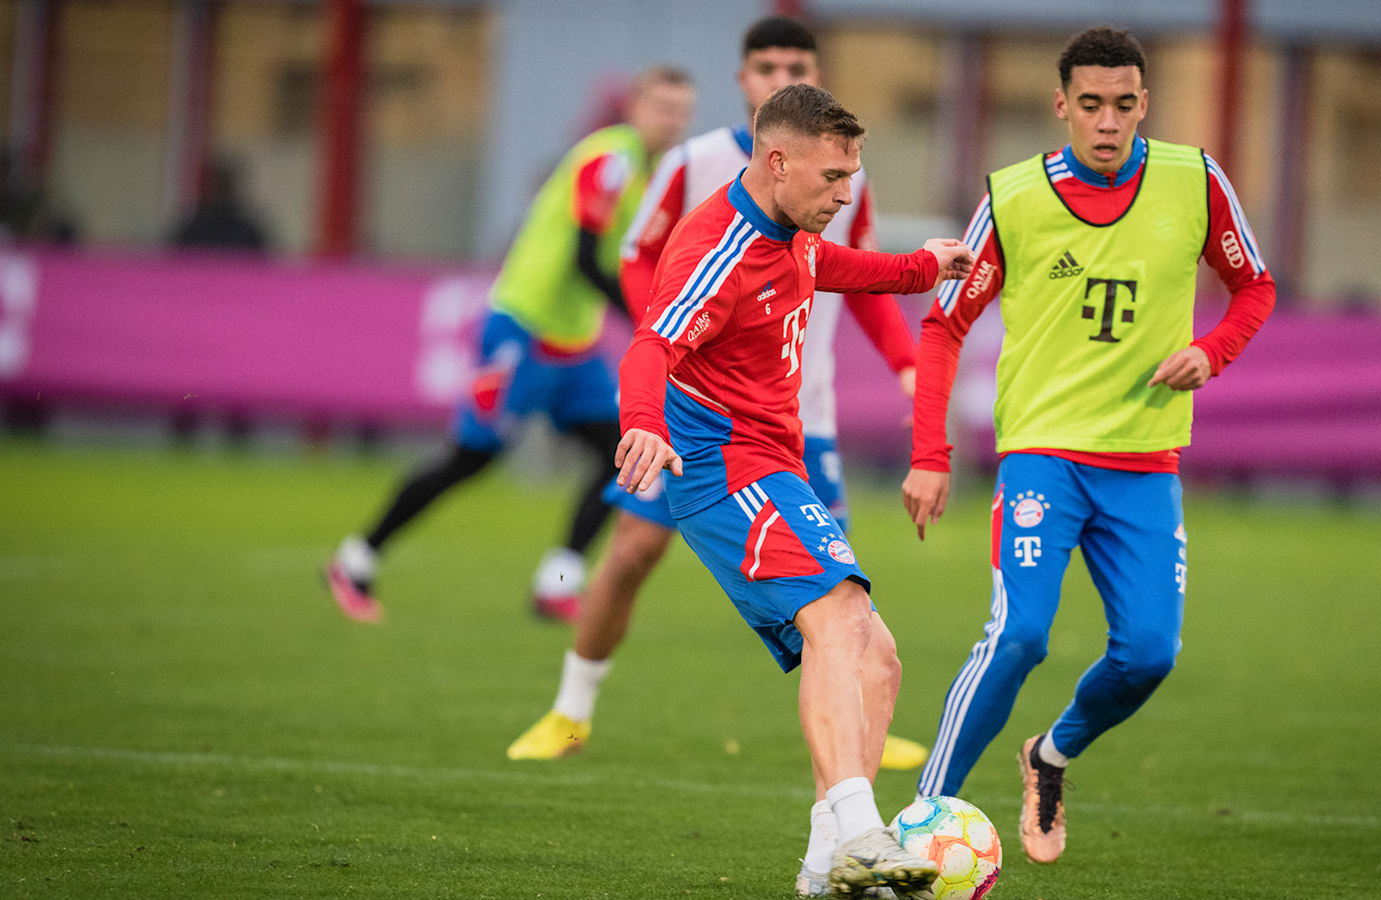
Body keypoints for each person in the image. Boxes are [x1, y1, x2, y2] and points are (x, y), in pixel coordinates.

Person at [507, 14, 928, 788]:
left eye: (795, 63)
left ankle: (852, 766)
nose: (780, 75)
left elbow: (842, 266)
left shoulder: (833, 176)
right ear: (745, 81)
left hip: (799, 416)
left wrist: (911, 335)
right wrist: (667, 364)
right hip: (700, 420)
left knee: (851, 625)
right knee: (638, 554)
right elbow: (644, 272)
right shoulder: (696, 167)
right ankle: (572, 708)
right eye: (766, 65)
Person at [901, 27, 1276, 865]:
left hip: (1145, 462)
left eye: (1126, 105)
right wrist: (931, 453)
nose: (1109, 122)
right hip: (1044, 455)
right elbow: (943, 325)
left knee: (1149, 655)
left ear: (1146, 105)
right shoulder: (1013, 198)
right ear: (1062, 106)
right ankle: (923, 817)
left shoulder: (1196, 181)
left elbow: (1255, 286)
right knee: (1021, 634)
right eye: (1092, 105)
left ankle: (1050, 754)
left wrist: (1211, 352)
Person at [615, 84, 972, 899]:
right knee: (839, 616)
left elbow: (833, 265)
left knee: (878, 657)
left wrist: (925, 265)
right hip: (720, 467)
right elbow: (651, 343)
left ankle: (823, 870)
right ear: (777, 162)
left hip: (775, 463)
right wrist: (642, 420)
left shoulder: (790, 226)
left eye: (852, 174)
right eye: (834, 177)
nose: (846, 193)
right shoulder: (720, 248)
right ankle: (861, 833)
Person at [324, 67, 695, 623]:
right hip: (521, 330)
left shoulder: (645, 173)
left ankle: (557, 582)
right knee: (471, 458)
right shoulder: (612, 159)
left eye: (679, 110)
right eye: (660, 106)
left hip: (572, 344)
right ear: (635, 108)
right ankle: (356, 558)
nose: (670, 120)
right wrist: (650, 321)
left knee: (624, 455)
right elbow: (584, 257)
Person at [168, 159, 272, 253]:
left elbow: (261, 267)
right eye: (219, 187)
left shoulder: (248, 232)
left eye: (226, 187)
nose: (221, 194)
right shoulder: (193, 230)